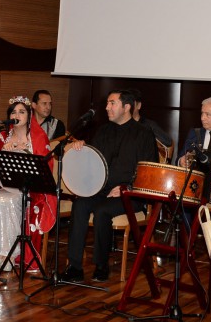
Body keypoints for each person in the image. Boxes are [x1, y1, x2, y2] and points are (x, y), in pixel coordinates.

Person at [62, 89, 157, 283]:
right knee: (80, 205)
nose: (107, 107)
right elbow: (92, 161)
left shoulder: (143, 133)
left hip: (130, 194)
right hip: (101, 189)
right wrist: (81, 148)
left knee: (102, 211)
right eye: (107, 103)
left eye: (112, 103)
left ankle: (101, 265)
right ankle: (74, 267)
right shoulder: (103, 130)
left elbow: (149, 170)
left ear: (126, 107)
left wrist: (127, 187)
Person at [0, 96, 54, 273]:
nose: (17, 115)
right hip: (9, 186)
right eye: (14, 112)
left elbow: (45, 168)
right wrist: (4, 153)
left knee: (11, 202)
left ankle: (13, 253)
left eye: (22, 111)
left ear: (29, 115)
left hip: (32, 189)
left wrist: (26, 152)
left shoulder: (38, 137)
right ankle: (1, 253)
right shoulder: (4, 137)